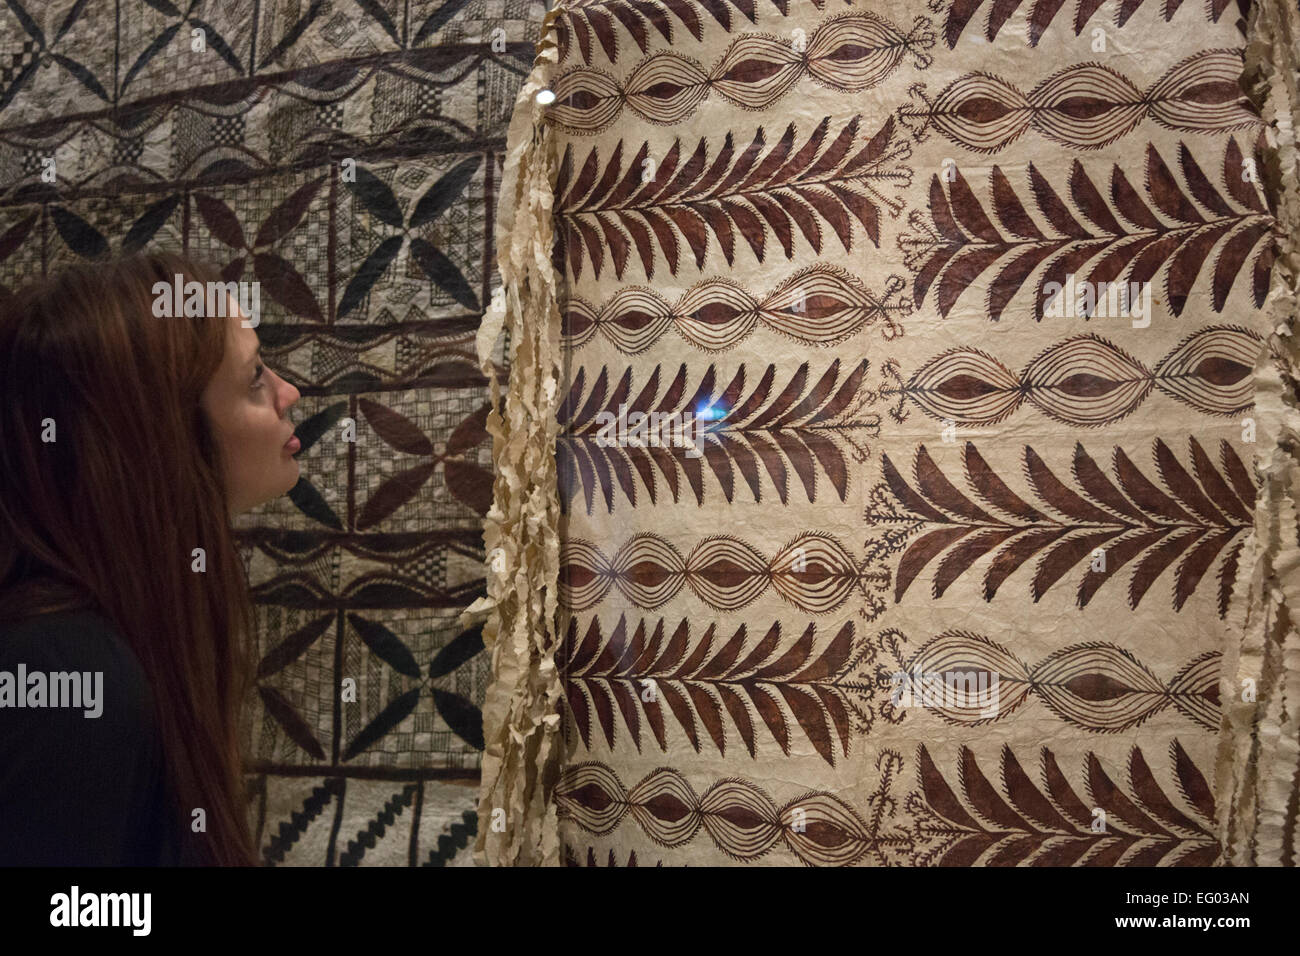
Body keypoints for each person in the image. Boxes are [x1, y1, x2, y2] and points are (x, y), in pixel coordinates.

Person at [0, 250, 302, 865]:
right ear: (162, 439)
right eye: (253, 379)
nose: (288, 392)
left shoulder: (113, 638)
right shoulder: (73, 683)